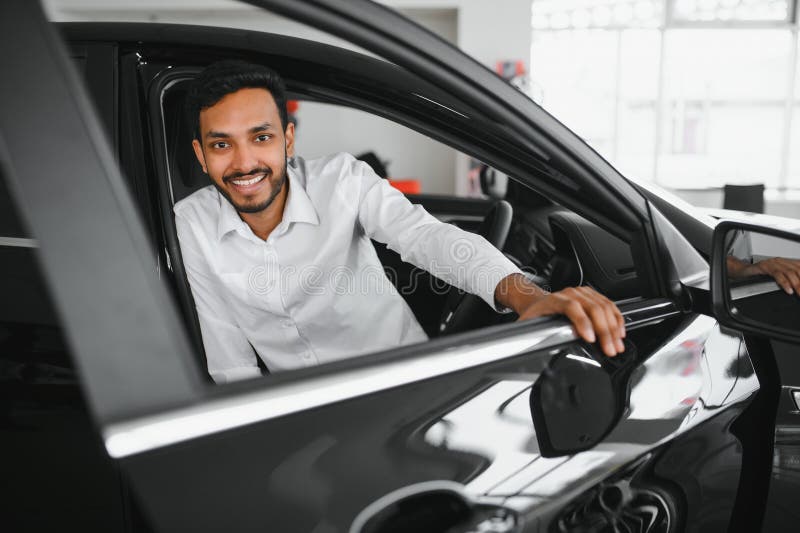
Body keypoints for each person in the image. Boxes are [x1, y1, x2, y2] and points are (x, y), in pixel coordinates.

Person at [174, 60, 626, 383]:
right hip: (300, 413)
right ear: (200, 154)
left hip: (405, 385)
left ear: (288, 140)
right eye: (221, 145)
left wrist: (526, 295)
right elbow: (229, 358)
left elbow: (425, 236)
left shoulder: (342, 179)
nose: (245, 162)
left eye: (261, 137)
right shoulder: (191, 223)